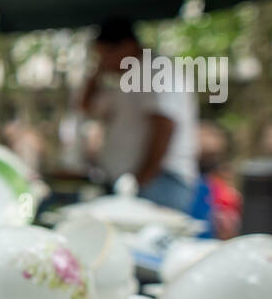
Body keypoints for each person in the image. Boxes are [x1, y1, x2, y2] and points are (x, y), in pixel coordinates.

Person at [78, 17, 198, 211]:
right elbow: (85, 106)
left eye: (106, 55)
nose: (105, 62)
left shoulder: (156, 69)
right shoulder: (124, 79)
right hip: (130, 183)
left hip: (160, 182)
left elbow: (164, 126)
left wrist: (142, 179)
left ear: (127, 46)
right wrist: (98, 70)